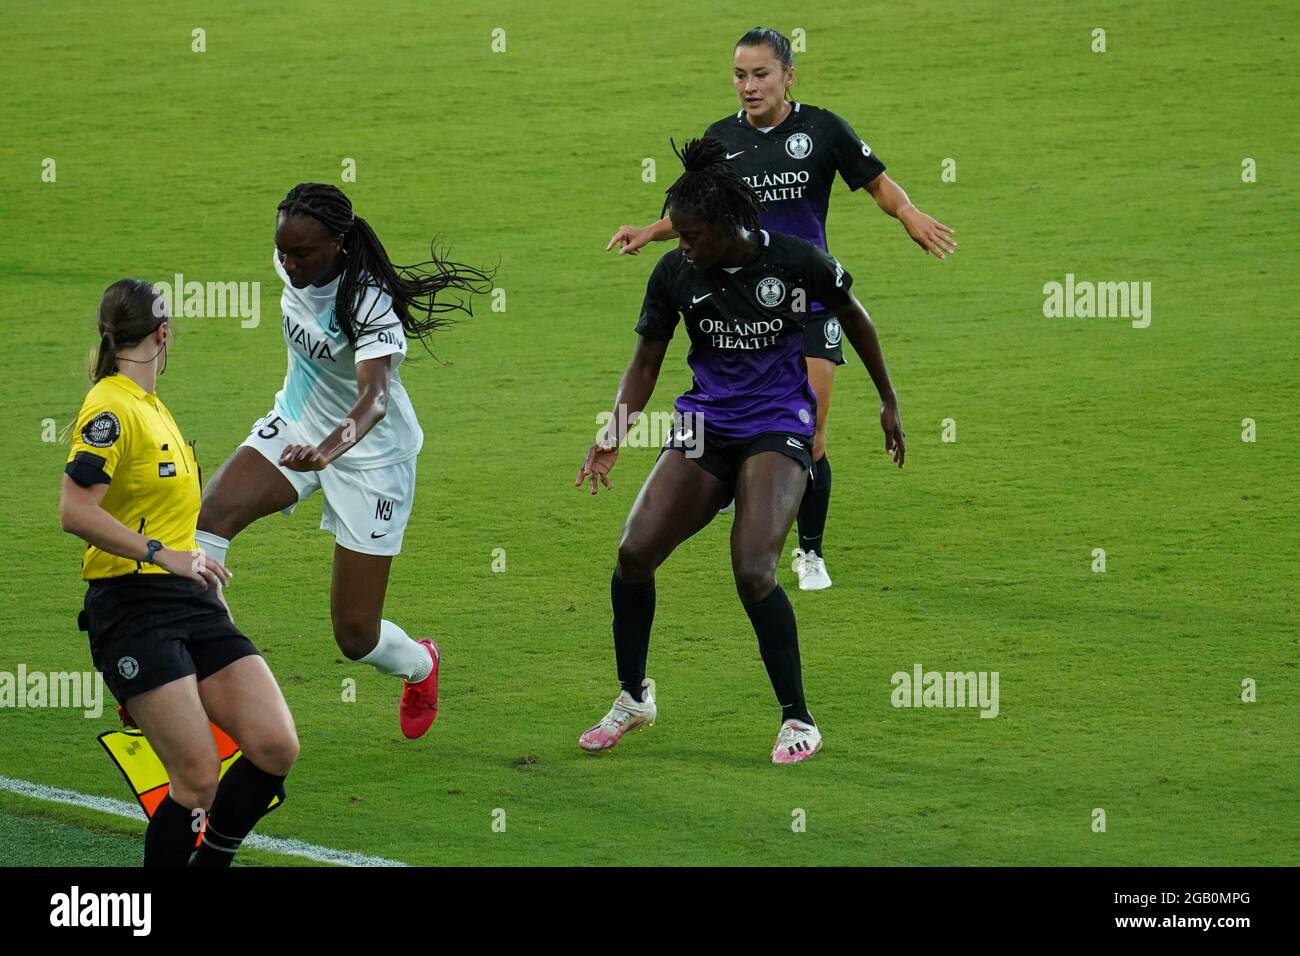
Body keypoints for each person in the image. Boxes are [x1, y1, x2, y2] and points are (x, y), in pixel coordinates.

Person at [577, 139, 905, 764]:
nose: (682, 245)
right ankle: (632, 697)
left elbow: (856, 318)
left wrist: (887, 401)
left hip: (778, 423)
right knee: (633, 552)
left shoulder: (795, 261)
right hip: (706, 422)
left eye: (692, 235)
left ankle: (798, 719)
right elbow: (646, 360)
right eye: (678, 233)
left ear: (728, 227)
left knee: (754, 571)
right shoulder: (676, 272)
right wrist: (612, 434)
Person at [607, 26, 949, 591]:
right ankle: (722, 482)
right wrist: (652, 230)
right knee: (740, 415)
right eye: (740, 75)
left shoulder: (821, 129)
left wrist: (908, 213)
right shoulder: (719, 142)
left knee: (809, 433)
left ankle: (809, 552)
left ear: (789, 76)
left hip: (810, 302)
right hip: (745, 305)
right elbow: (696, 213)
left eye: (760, 73)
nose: (749, 85)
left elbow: (877, 183)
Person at [195, 183, 492, 739]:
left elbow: (375, 399)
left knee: (355, 636)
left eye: (302, 253)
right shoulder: (293, 263)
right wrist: (310, 444)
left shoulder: (367, 299)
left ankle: (422, 664)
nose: (288, 262)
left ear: (339, 243)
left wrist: (326, 452)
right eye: (282, 250)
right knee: (209, 519)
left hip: (373, 461)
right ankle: (201, 679)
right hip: (297, 422)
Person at [62, 279, 298, 866]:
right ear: (164, 334)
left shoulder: (153, 407)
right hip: (132, 605)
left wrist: (198, 577)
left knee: (273, 746)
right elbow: (75, 509)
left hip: (190, 601)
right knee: (196, 781)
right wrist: (159, 552)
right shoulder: (110, 407)